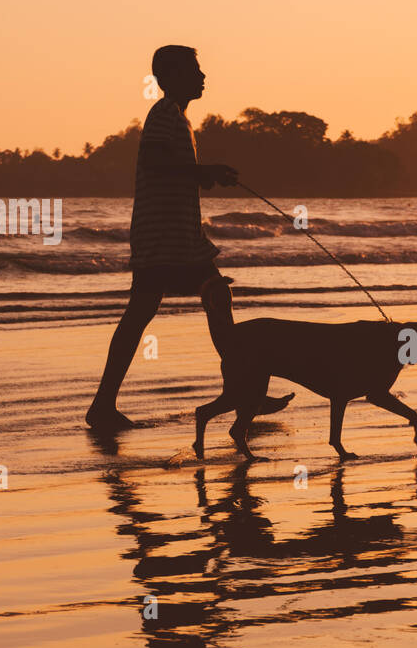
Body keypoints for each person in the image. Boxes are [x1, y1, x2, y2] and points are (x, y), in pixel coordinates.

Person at [86, 45, 290, 431]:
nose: (202, 77)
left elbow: (172, 170)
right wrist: (202, 171)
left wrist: (203, 174)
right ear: (171, 77)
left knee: (187, 305)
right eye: (194, 70)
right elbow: (155, 163)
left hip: (172, 235)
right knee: (197, 302)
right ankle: (245, 390)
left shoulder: (176, 117)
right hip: (165, 237)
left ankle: (104, 405)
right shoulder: (164, 115)